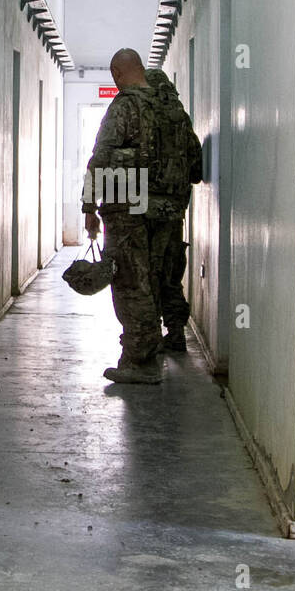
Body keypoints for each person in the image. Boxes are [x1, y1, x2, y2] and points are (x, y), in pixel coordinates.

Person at [82, 48, 199, 384]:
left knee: (132, 283)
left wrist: (89, 206)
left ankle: (139, 361)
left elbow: (101, 157)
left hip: (130, 208)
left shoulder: (125, 104)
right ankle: (159, 342)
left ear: (117, 72)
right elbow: (193, 160)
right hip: (169, 209)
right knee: (160, 277)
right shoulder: (173, 109)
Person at [143, 68, 202, 352]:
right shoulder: (182, 119)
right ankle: (176, 331)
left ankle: (149, 334)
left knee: (144, 274)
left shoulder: (143, 115)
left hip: (144, 210)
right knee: (171, 273)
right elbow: (197, 170)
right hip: (174, 212)